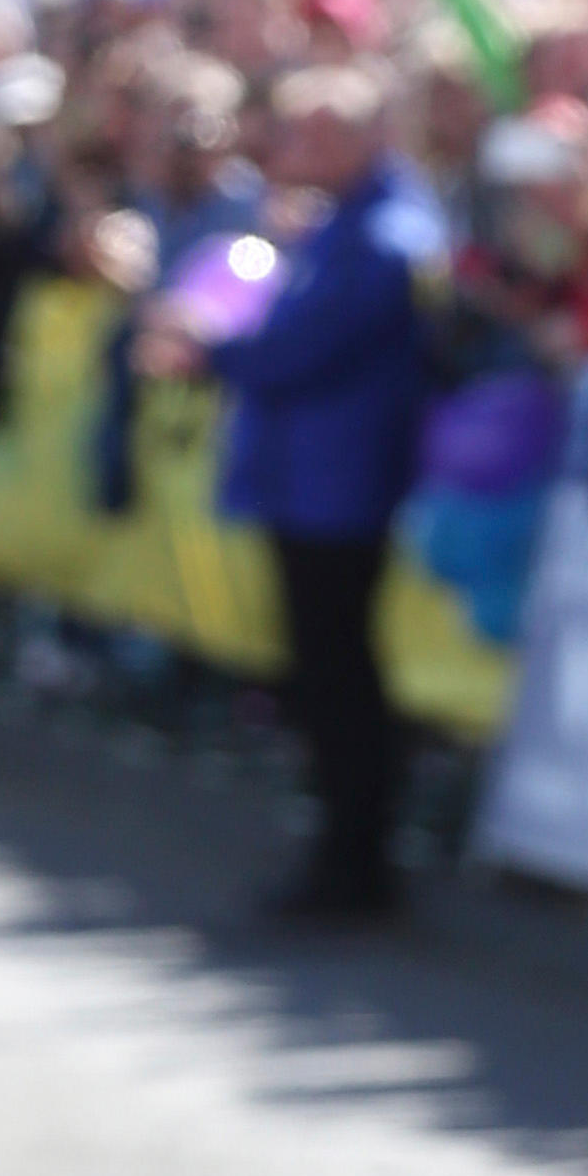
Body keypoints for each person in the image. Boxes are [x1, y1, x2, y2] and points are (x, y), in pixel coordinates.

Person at [160, 65, 442, 922]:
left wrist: (208, 351)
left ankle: (356, 862)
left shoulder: (386, 237)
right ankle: (344, 853)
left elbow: (304, 345)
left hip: (341, 484)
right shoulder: (338, 225)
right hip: (309, 479)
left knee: (338, 673)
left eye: (320, 134)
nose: (300, 151)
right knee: (323, 671)